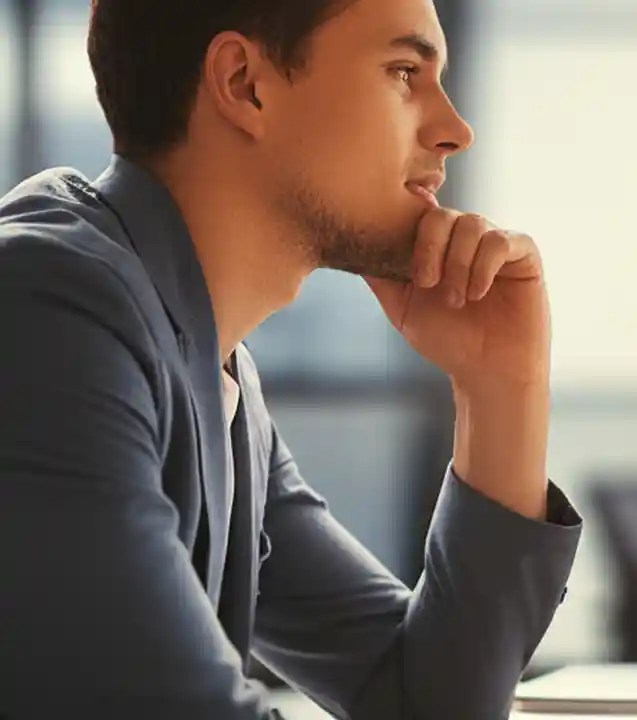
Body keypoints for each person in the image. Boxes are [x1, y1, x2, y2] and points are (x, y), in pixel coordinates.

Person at [0, 0, 582, 717]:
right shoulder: (51, 313)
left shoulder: (213, 369)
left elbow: (426, 702)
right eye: (404, 72)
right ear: (245, 84)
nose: (454, 131)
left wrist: (502, 386)